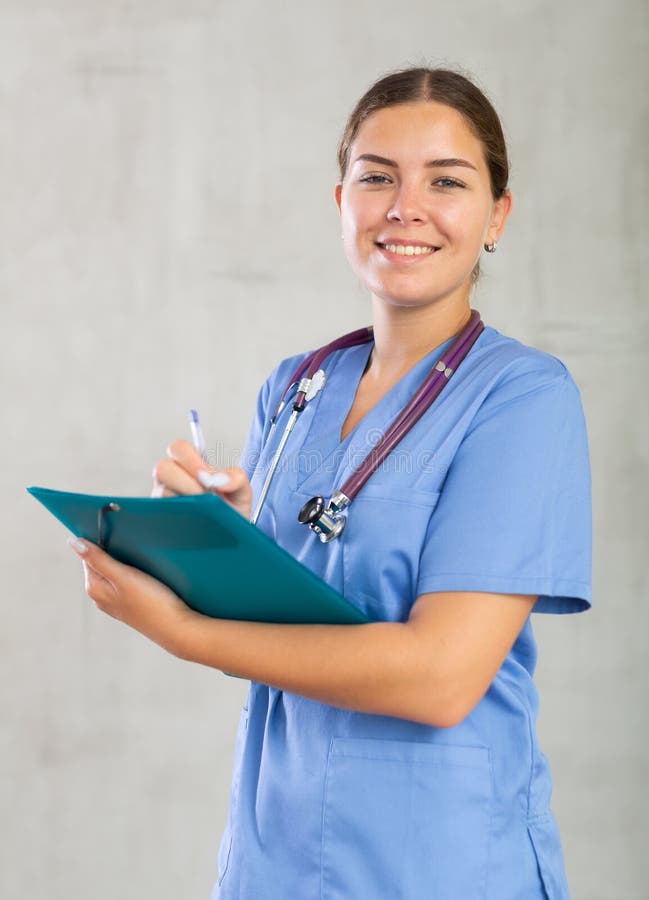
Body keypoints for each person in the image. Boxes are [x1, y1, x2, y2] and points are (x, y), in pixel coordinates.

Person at [69, 67, 592, 899]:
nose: (402, 206)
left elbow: (440, 675)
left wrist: (180, 632)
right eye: (375, 176)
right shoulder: (298, 385)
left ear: (496, 215)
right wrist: (214, 540)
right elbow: (286, 615)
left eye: (445, 181)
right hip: (276, 854)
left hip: (440, 862)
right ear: (339, 201)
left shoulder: (521, 399)